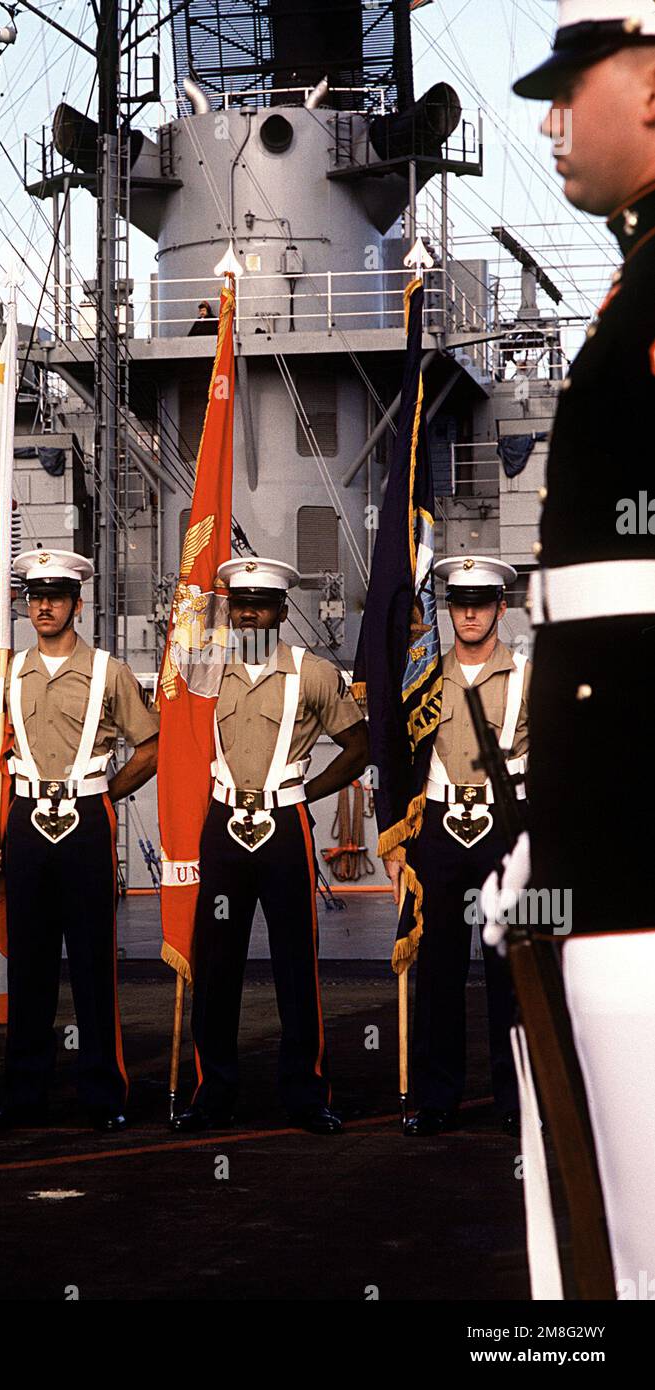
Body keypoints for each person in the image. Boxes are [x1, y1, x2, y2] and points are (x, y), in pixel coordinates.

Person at [513, 0, 655, 1288]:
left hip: (639, 852)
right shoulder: (636, 282)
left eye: (574, 82)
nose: (551, 120)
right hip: (598, 853)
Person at [172, 557, 370, 1136]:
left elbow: (358, 746)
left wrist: (307, 794)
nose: (249, 610)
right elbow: (177, 730)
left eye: (261, 601)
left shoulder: (314, 674)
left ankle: (306, 1095)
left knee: (295, 963)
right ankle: (213, 1093)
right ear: (229, 609)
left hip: (285, 828)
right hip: (223, 826)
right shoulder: (203, 673)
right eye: (239, 602)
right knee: (215, 964)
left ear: (283, 611)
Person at [0, 549, 159, 1132]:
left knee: (92, 963)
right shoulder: (10, 673)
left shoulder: (109, 672)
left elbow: (151, 746)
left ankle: (104, 1093)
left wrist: (107, 794)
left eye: (56, 595)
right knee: (28, 965)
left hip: (87, 821)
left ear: (77, 603)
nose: (45, 605)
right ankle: (25, 1095)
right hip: (25, 821)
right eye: (35, 596)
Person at [387, 557, 529, 1138]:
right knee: (439, 967)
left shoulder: (526, 675)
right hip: (439, 825)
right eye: (459, 600)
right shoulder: (423, 678)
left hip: (505, 822)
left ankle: (516, 1097)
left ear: (500, 606)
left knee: (511, 968)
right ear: (446, 608)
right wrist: (396, 841)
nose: (469, 611)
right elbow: (398, 760)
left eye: (482, 600)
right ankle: (437, 1097)